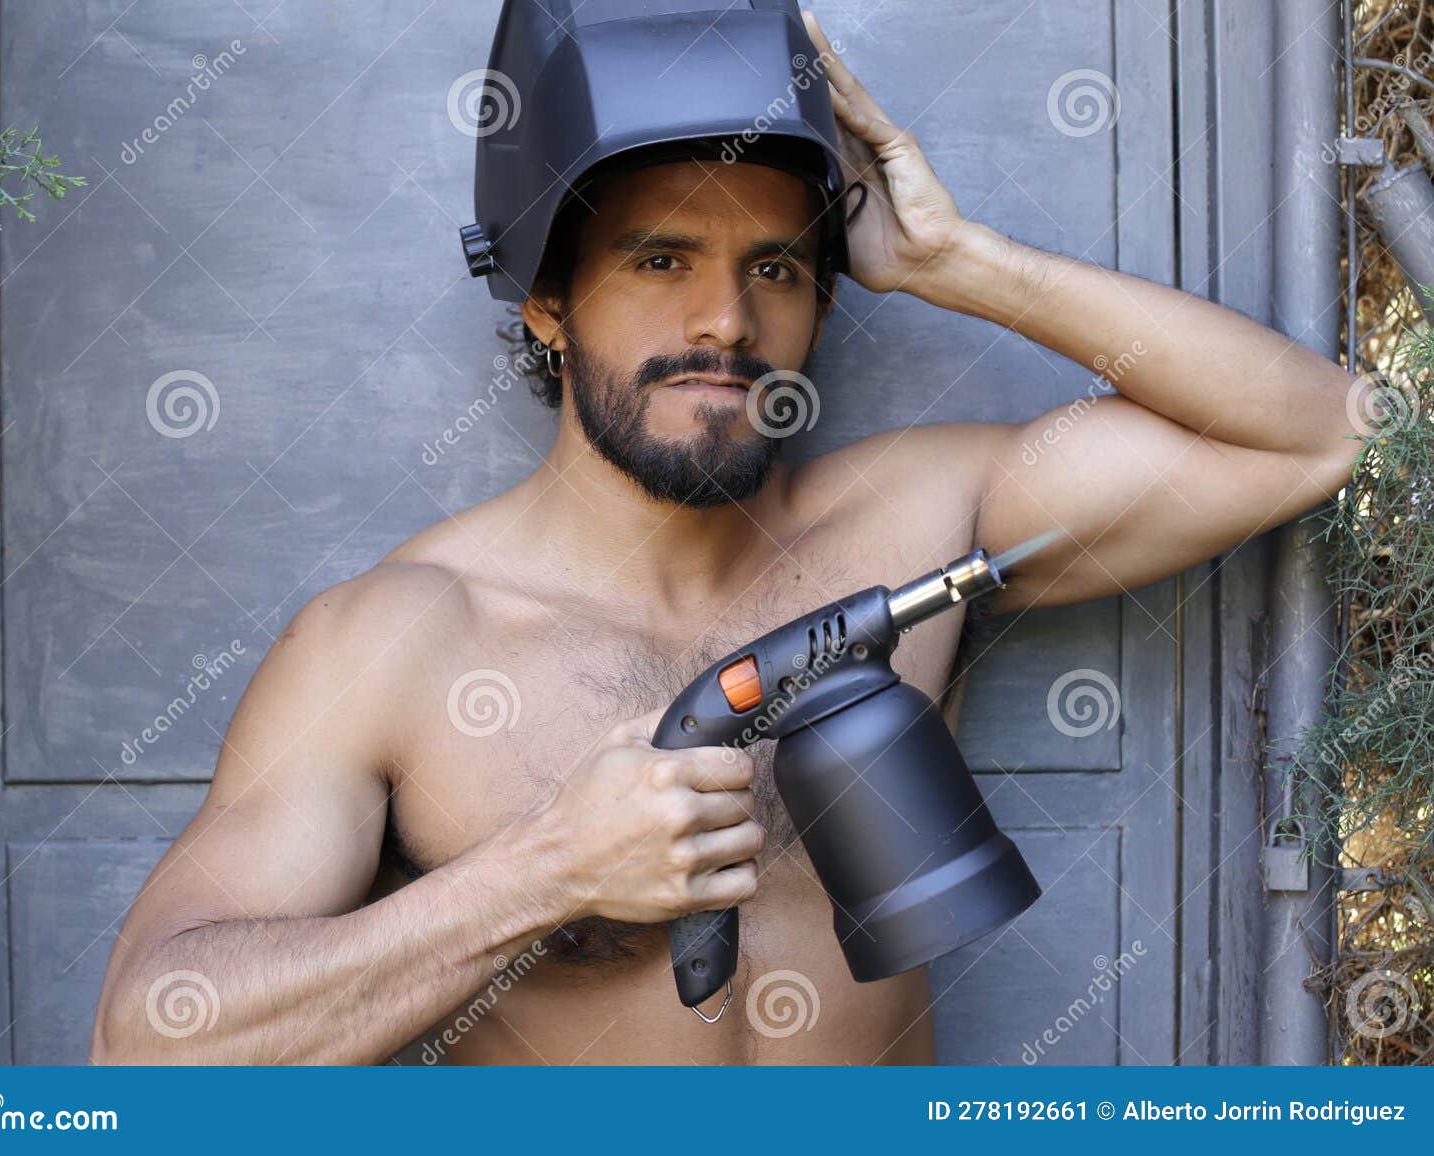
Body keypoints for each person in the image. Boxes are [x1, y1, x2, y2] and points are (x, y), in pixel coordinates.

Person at [90, 12, 1360, 1065]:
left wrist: (957, 262)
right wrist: (540, 874)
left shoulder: (913, 525)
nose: (725, 320)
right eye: (658, 259)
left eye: (777, 267)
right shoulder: (395, 642)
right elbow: (148, 1052)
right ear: (545, 303)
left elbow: (1320, 435)